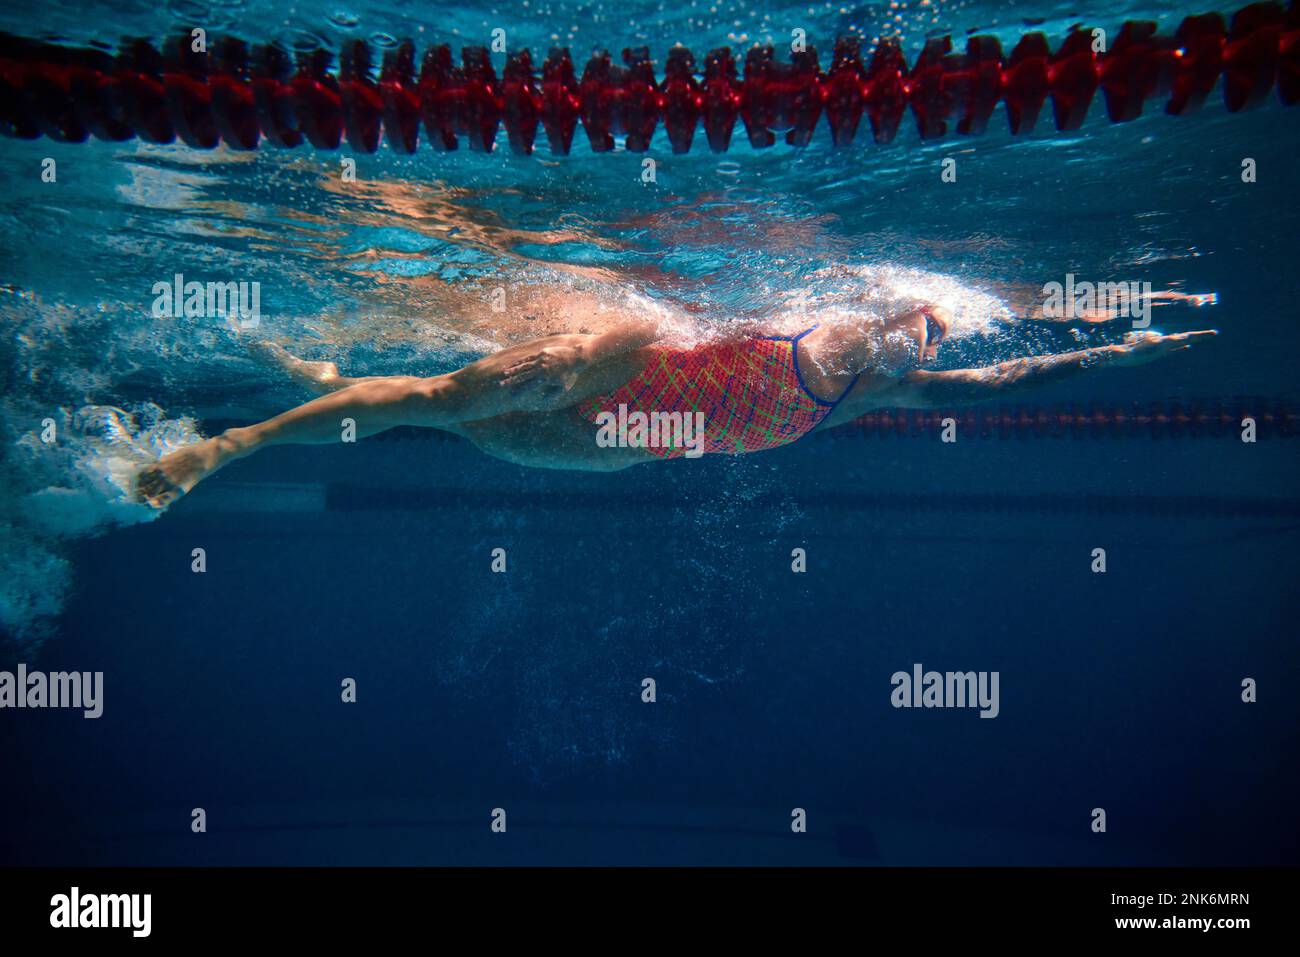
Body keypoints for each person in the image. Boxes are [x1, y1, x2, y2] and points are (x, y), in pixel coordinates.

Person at [135, 300, 1215, 507]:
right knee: (443, 393)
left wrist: (1118, 352)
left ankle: (309, 383)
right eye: (915, 317)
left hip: (626, 441)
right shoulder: (816, 308)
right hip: (631, 358)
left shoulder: (874, 393)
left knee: (443, 420)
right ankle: (231, 447)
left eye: (929, 338)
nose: (917, 337)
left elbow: (1011, 381)